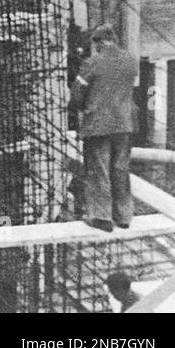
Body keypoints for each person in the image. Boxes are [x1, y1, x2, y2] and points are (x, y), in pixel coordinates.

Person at [70, 23, 137, 231]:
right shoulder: (130, 61)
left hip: (97, 125)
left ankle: (101, 217)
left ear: (98, 43)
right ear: (113, 40)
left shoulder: (92, 63)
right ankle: (124, 216)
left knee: (99, 170)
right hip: (124, 124)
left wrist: (76, 109)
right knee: (120, 169)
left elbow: (77, 94)